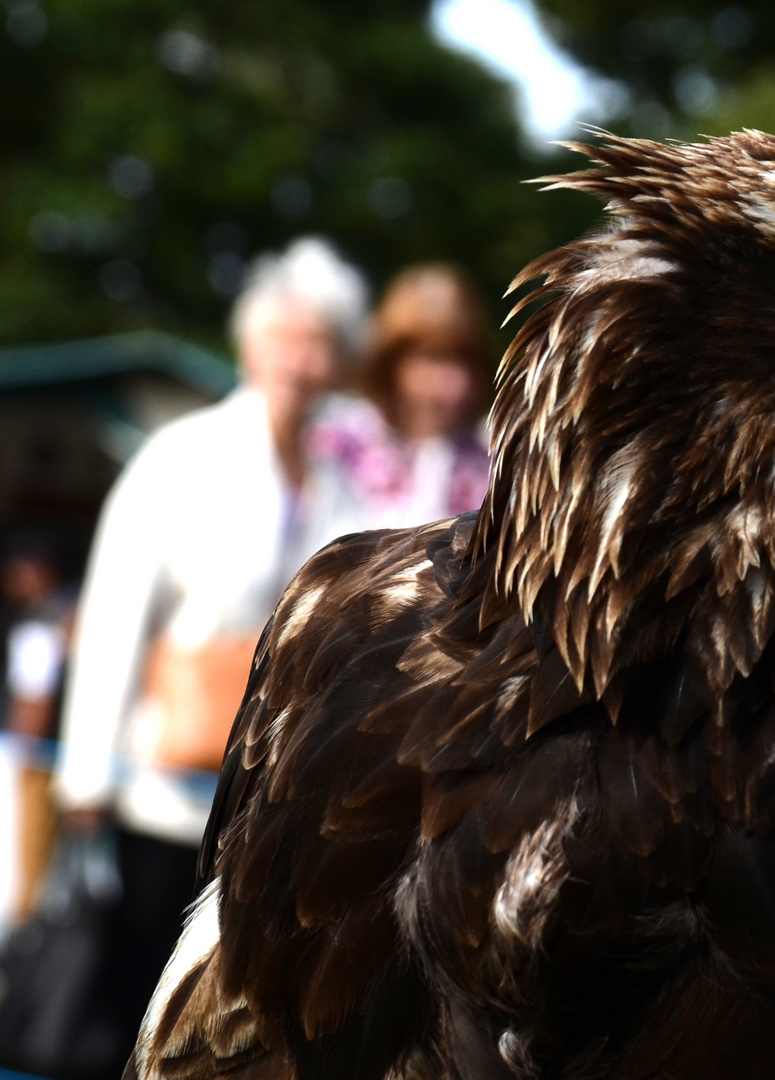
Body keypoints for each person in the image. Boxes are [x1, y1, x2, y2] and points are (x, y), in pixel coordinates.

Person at [52, 236, 369, 1060]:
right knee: (129, 1008)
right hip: (159, 791)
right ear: (249, 343)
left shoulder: (340, 484)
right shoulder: (180, 457)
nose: (298, 360)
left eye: (318, 342)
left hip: (269, 811)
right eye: (283, 338)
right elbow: (116, 612)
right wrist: (86, 772)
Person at [308, 263, 492, 530]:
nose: (458, 384)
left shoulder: (490, 466)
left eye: (467, 362)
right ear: (392, 361)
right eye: (435, 358)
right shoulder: (339, 447)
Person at [1, 531, 75, 926]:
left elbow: (34, 700)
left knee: (24, 862)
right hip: (42, 758)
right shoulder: (62, 616)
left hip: (32, 762)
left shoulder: (43, 624)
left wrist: (20, 756)